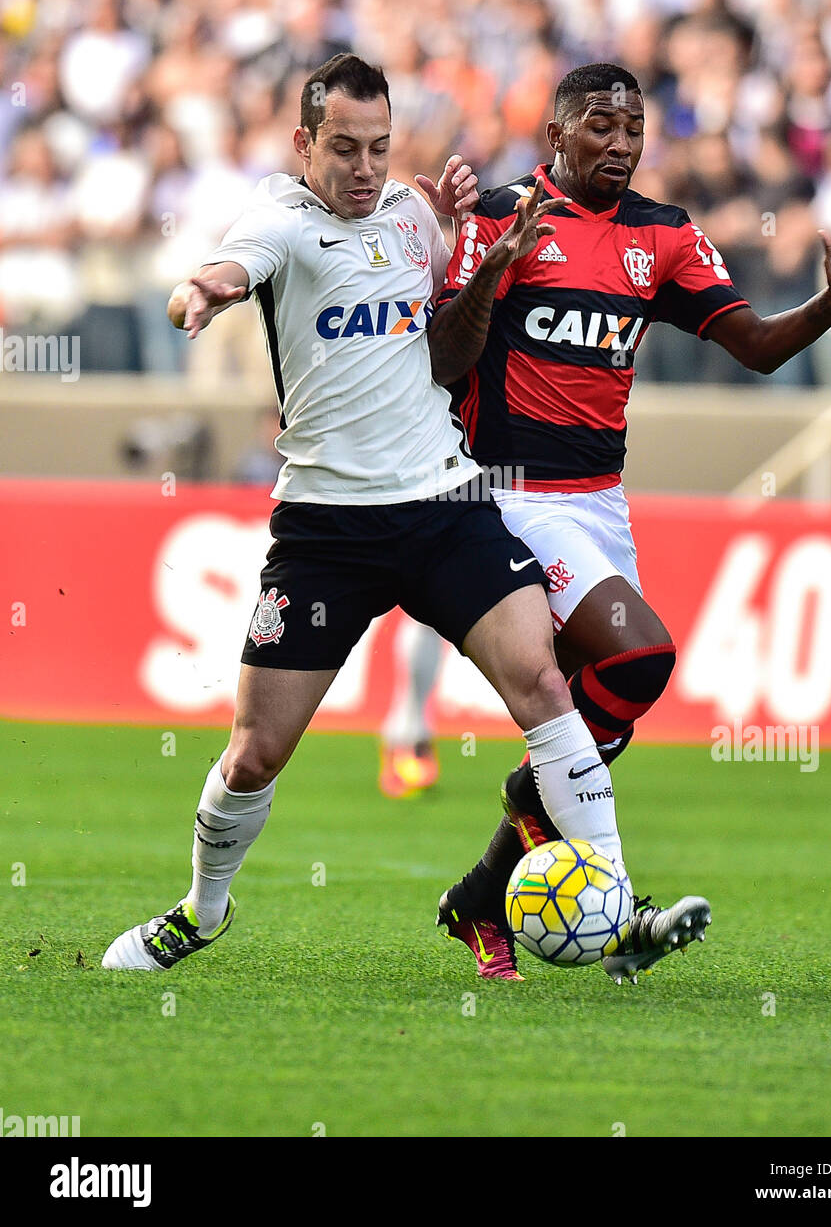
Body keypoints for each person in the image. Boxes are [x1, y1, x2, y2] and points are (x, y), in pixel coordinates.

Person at [101, 54, 672, 978]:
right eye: (343, 149)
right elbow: (225, 270)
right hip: (329, 528)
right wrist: (201, 293)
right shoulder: (279, 221)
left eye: (379, 148)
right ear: (303, 144)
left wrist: (478, 262)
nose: (365, 169)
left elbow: (448, 356)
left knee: (545, 686)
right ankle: (200, 911)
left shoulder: (412, 214)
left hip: (445, 502)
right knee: (254, 754)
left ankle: (612, 890)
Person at [428, 62, 831, 982]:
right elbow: (446, 362)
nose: (621, 143)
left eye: (634, 127)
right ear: (556, 133)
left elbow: (758, 347)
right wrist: (491, 267)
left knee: (592, 719)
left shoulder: (665, 235)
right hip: (508, 494)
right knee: (639, 658)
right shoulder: (500, 214)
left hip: (600, 505)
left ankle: (488, 896)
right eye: (600, 125)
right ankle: (594, 884)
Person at [377, 619, 444, 799]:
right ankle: (397, 769)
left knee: (417, 701)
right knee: (411, 701)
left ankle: (409, 765)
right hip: (421, 637)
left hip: (430, 637)